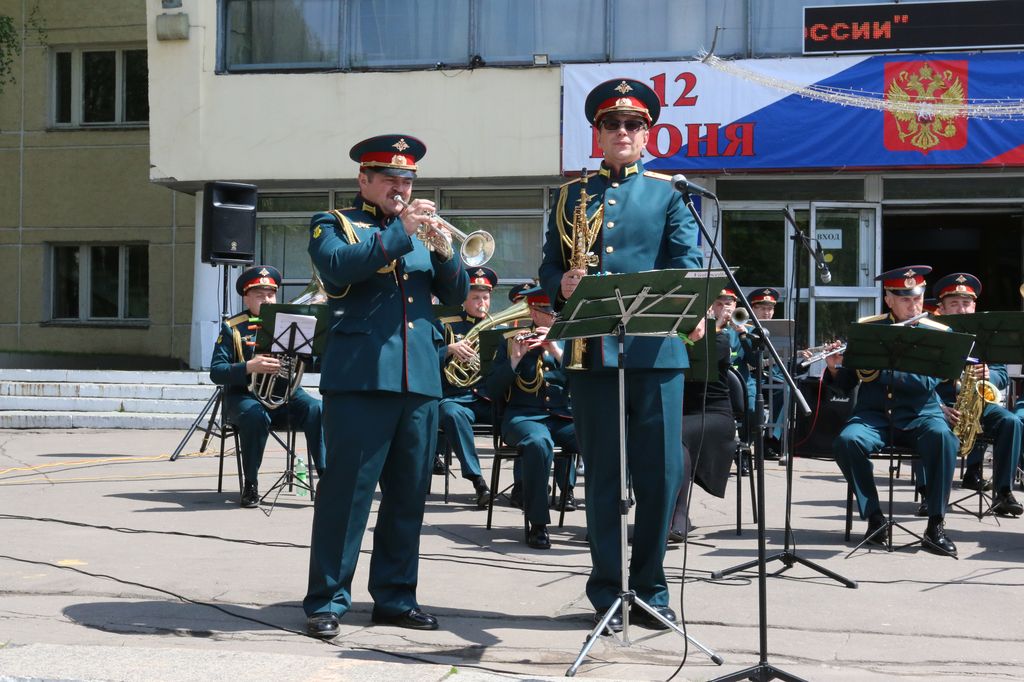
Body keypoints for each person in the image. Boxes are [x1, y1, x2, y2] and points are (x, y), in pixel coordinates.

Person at [539, 78, 702, 631]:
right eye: (613, 125)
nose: (623, 132)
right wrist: (562, 283)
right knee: (605, 476)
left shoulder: (670, 192)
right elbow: (548, 265)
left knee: (660, 474)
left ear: (648, 132)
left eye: (633, 125)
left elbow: (685, 261)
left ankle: (652, 587)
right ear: (598, 134)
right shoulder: (570, 195)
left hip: (657, 353)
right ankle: (608, 588)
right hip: (592, 353)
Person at [303, 134, 469, 639]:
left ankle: (396, 597)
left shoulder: (421, 234)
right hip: (360, 377)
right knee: (346, 495)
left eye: (407, 181)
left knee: (407, 496)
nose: (401, 188)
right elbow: (338, 270)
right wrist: (401, 230)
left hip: (419, 379)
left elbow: (456, 295)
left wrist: (444, 250)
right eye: (391, 179)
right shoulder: (333, 224)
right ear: (364, 180)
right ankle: (327, 599)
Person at [830, 266, 959, 556]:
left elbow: (927, 381)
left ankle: (935, 525)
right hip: (874, 415)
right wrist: (835, 365)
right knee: (847, 442)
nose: (913, 305)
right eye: (904, 299)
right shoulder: (868, 328)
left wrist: (883, 365)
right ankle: (875, 519)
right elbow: (847, 383)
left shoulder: (938, 333)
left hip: (920, 414)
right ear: (889, 300)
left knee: (944, 439)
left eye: (917, 298)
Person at [209, 265, 324, 508]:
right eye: (260, 295)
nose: (267, 299)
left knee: (316, 409)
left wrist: (305, 354)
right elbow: (216, 372)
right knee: (255, 415)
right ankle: (251, 484)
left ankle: (325, 477)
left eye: (270, 294)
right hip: (244, 398)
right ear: (246, 297)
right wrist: (249, 367)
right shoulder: (233, 328)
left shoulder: (290, 323)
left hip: (284, 395)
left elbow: (308, 364)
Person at [486, 287, 578, 549]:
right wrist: (514, 362)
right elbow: (492, 390)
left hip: (561, 417)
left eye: (555, 314)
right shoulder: (510, 340)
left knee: (598, 440)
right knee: (539, 444)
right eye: (547, 314)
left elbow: (582, 384)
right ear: (534, 313)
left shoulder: (570, 340)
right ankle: (538, 523)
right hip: (523, 417)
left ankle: (600, 522)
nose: (553, 318)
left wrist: (558, 351)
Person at [932, 273, 1022, 517]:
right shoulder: (931, 333)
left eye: (966, 303)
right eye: (954, 304)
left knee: (1011, 421)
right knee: (928, 426)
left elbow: (1003, 375)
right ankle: (928, 494)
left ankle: (1003, 492)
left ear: (974, 306)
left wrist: (989, 374)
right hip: (941, 405)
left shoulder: (988, 335)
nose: (961, 309)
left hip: (978, 403)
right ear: (942, 307)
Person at [434, 266, 500, 509]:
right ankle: (478, 481)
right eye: (475, 297)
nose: (481, 302)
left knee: (522, 417)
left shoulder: (501, 328)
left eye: (485, 297)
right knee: (451, 414)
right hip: (458, 398)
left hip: (490, 399)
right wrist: (449, 350)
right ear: (464, 299)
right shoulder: (446, 324)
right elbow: (424, 355)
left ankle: (524, 486)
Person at [670, 308, 738, 542]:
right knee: (657, 431)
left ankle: (678, 513)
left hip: (715, 415)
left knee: (675, 434)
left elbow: (699, 354)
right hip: (681, 414)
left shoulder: (719, 339)